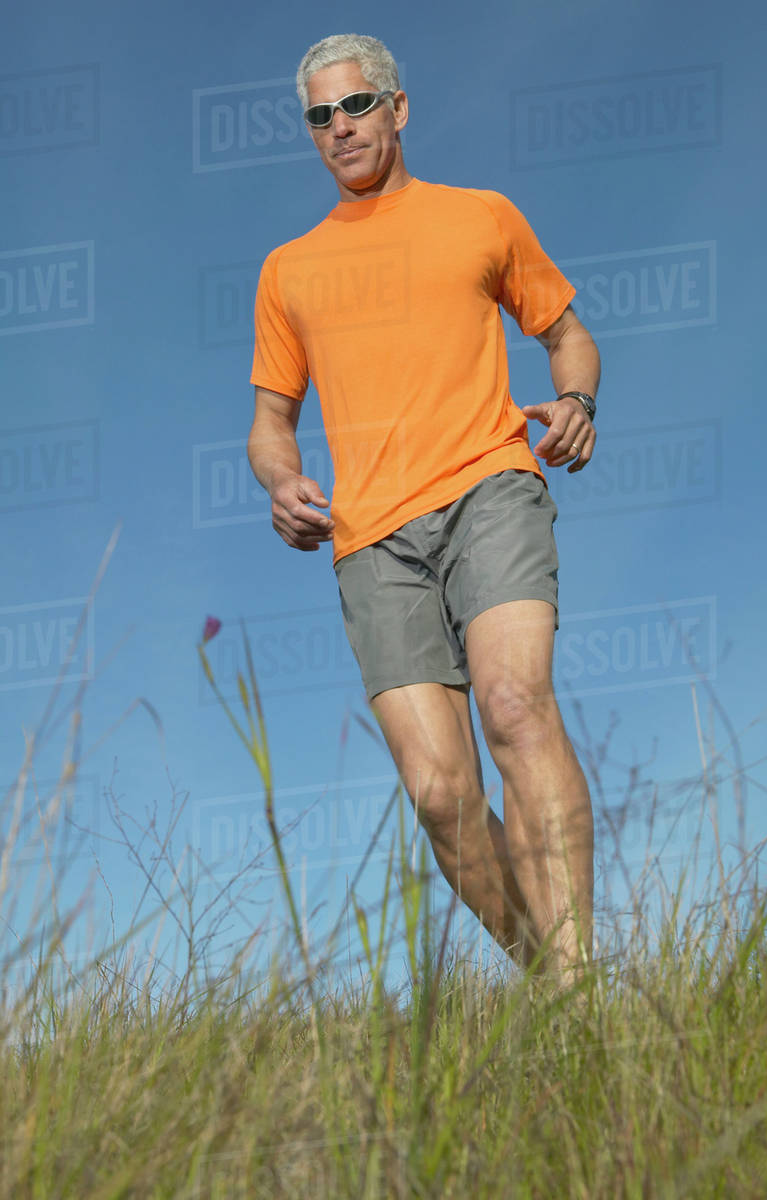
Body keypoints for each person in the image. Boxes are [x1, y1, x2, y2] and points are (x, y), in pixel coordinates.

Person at [247, 33, 601, 980]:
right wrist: (281, 483)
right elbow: (270, 422)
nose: (339, 128)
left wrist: (577, 403)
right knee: (443, 795)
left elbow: (568, 337)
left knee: (516, 705)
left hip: (490, 484)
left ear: (398, 109)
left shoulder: (481, 217)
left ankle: (578, 981)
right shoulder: (288, 270)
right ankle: (546, 981)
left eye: (355, 105)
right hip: (370, 540)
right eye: (320, 116)